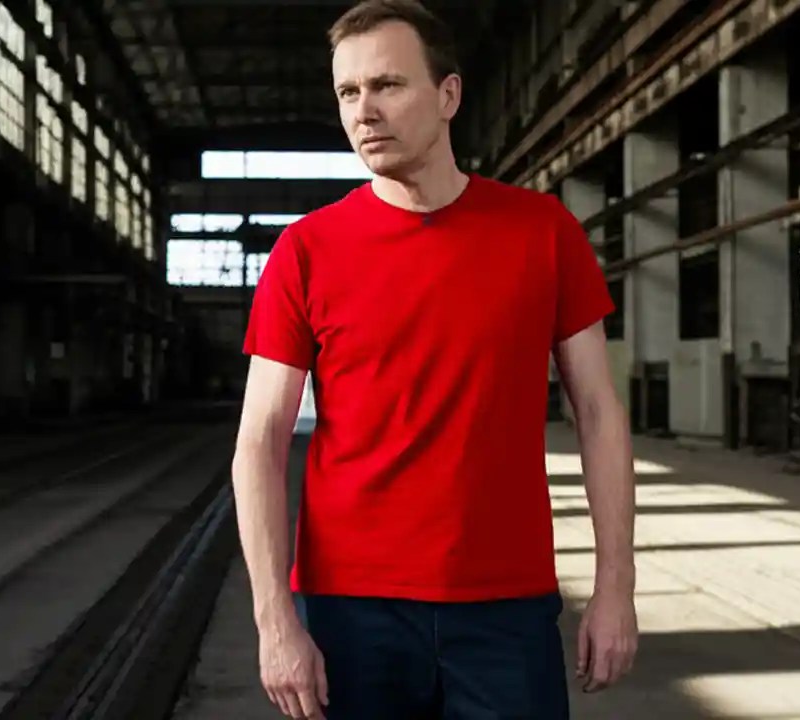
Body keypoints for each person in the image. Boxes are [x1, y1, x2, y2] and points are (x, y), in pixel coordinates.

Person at [230, 1, 638, 717]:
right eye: (348, 93)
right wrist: (274, 623)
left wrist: (615, 589)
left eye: (387, 85)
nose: (365, 112)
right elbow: (260, 441)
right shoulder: (306, 251)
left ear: (448, 95)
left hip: (504, 607)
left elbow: (600, 415)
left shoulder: (543, 233)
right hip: (350, 609)